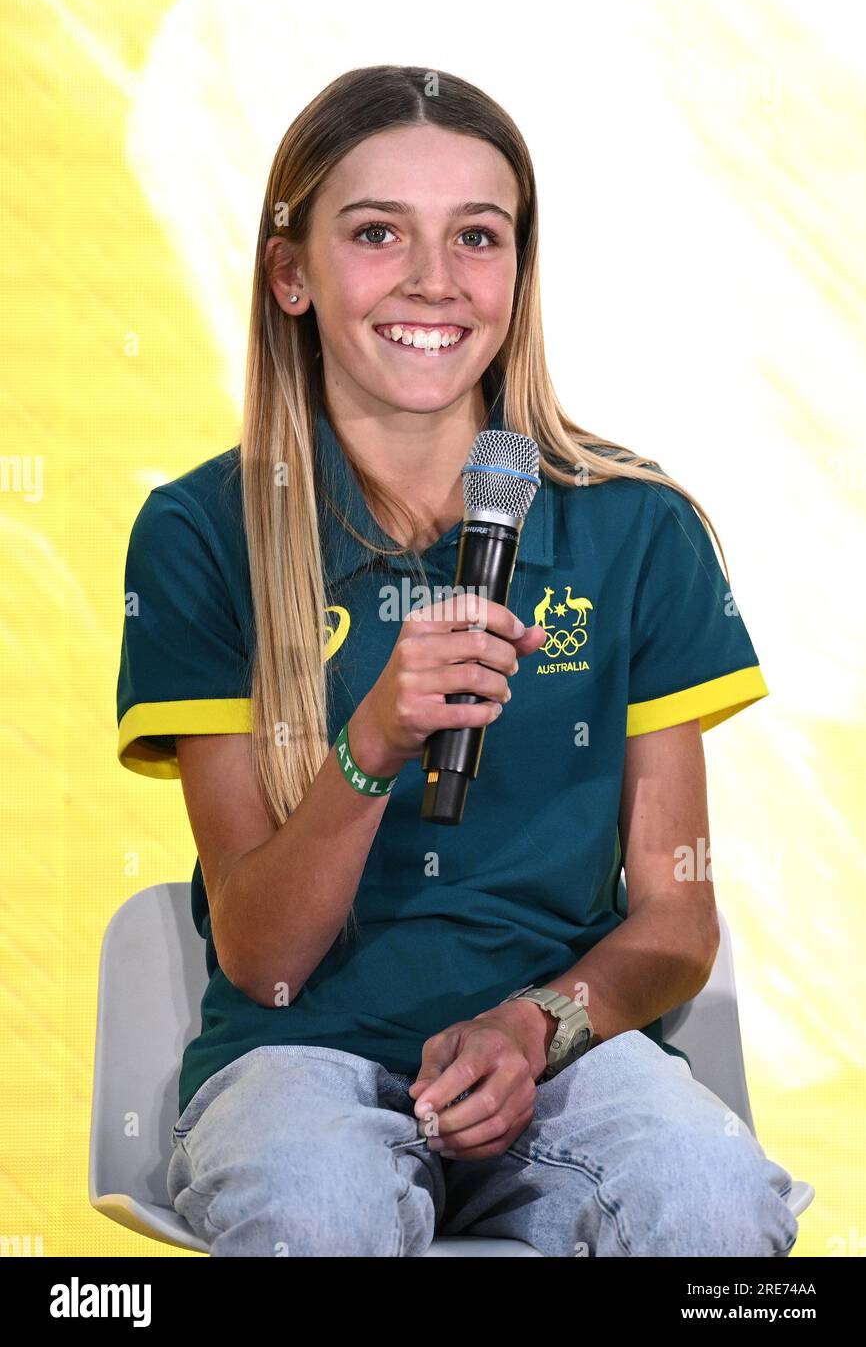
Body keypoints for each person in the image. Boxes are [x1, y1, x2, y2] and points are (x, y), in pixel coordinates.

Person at [116, 64, 798, 1257]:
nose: (432, 280)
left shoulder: (636, 527)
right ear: (291, 274)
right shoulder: (201, 533)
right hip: (297, 1059)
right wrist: (371, 742)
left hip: (559, 1057)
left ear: (517, 274)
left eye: (475, 237)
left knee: (708, 1196)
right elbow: (262, 958)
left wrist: (533, 1024)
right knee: (312, 1209)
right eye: (376, 232)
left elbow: (676, 918)